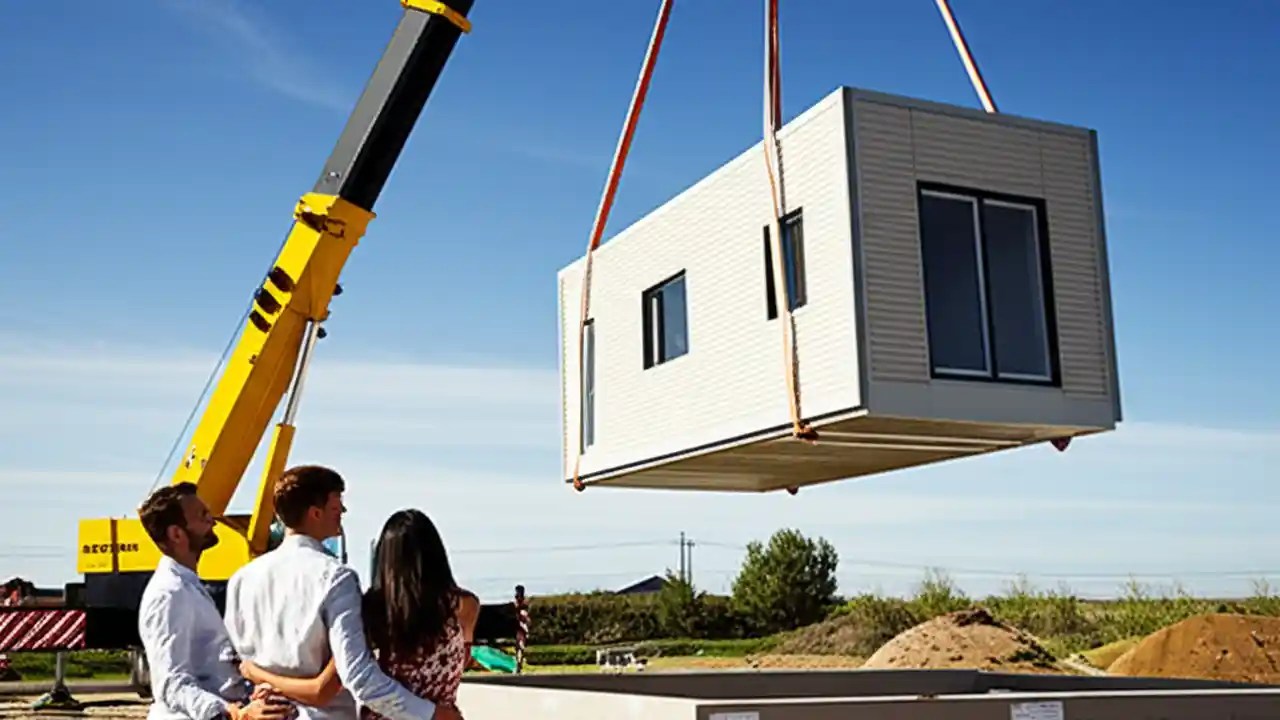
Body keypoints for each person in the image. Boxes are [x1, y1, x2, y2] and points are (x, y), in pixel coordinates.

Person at [222, 465, 461, 720]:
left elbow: (234, 663)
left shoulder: (242, 579)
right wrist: (432, 714)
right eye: (336, 507)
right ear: (315, 513)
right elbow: (358, 675)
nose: (343, 513)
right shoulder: (336, 577)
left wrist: (245, 705)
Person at [136, 482, 291, 720]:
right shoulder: (169, 595)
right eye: (202, 515)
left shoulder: (188, 586)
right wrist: (235, 714)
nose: (213, 521)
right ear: (176, 533)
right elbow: (171, 683)